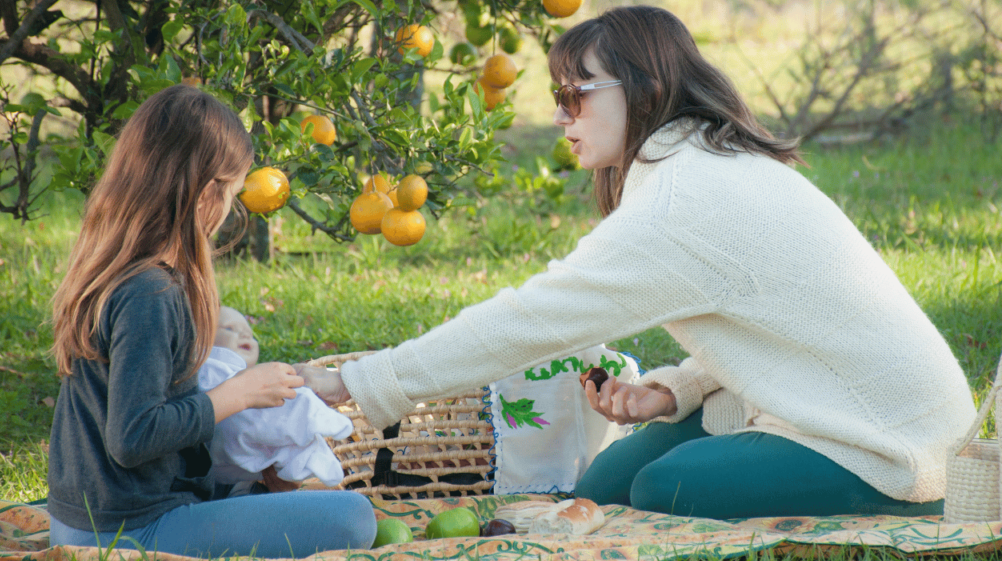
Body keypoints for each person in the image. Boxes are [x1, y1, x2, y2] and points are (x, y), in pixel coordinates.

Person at [317, 6, 977, 520]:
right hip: (813, 406)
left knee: (662, 487)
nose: (558, 114)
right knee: (602, 491)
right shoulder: (694, 165)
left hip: (885, 448)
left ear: (643, 88)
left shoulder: (686, 198)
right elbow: (774, 320)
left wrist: (362, 381)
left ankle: (907, 505)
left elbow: (530, 320)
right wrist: (677, 390)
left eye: (576, 94)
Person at [47, 84, 376, 558]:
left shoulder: (128, 273)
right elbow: (133, 437)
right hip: (125, 534)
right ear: (205, 195)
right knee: (352, 517)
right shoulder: (150, 294)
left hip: (97, 517)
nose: (230, 211)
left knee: (281, 502)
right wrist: (237, 394)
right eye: (233, 193)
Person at [200, 306, 353, 489]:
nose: (244, 335)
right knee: (288, 410)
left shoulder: (259, 379)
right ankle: (313, 417)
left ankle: (305, 454)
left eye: (250, 333)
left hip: (236, 478)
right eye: (229, 329)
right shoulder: (208, 370)